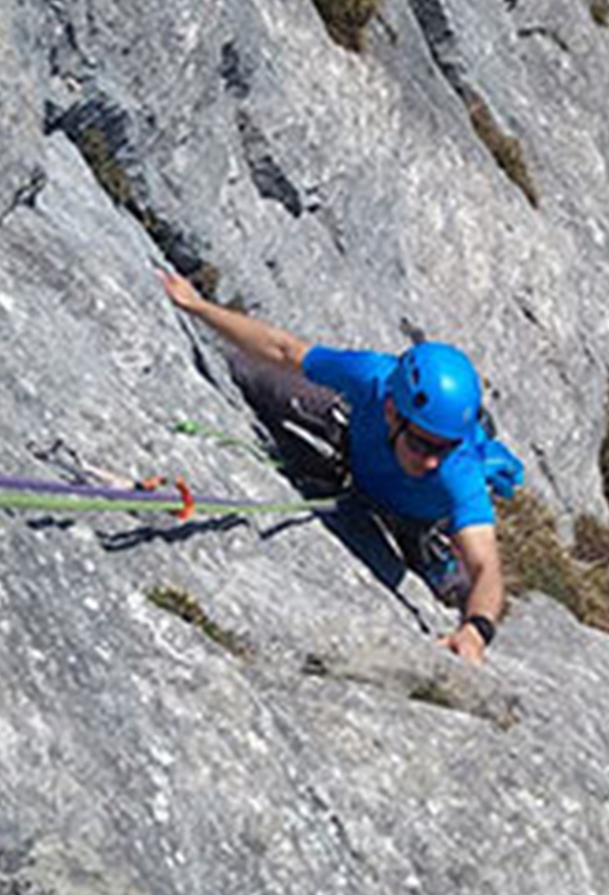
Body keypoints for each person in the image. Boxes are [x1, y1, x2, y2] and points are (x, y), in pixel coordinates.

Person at [159, 269, 517, 665]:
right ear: (391, 409)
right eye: (421, 443)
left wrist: (476, 629)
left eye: (444, 448)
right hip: (351, 445)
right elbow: (283, 351)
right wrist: (196, 305)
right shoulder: (372, 378)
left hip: (417, 523)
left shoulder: (458, 472)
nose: (431, 460)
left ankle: (436, 559)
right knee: (248, 371)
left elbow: (486, 565)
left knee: (458, 588)